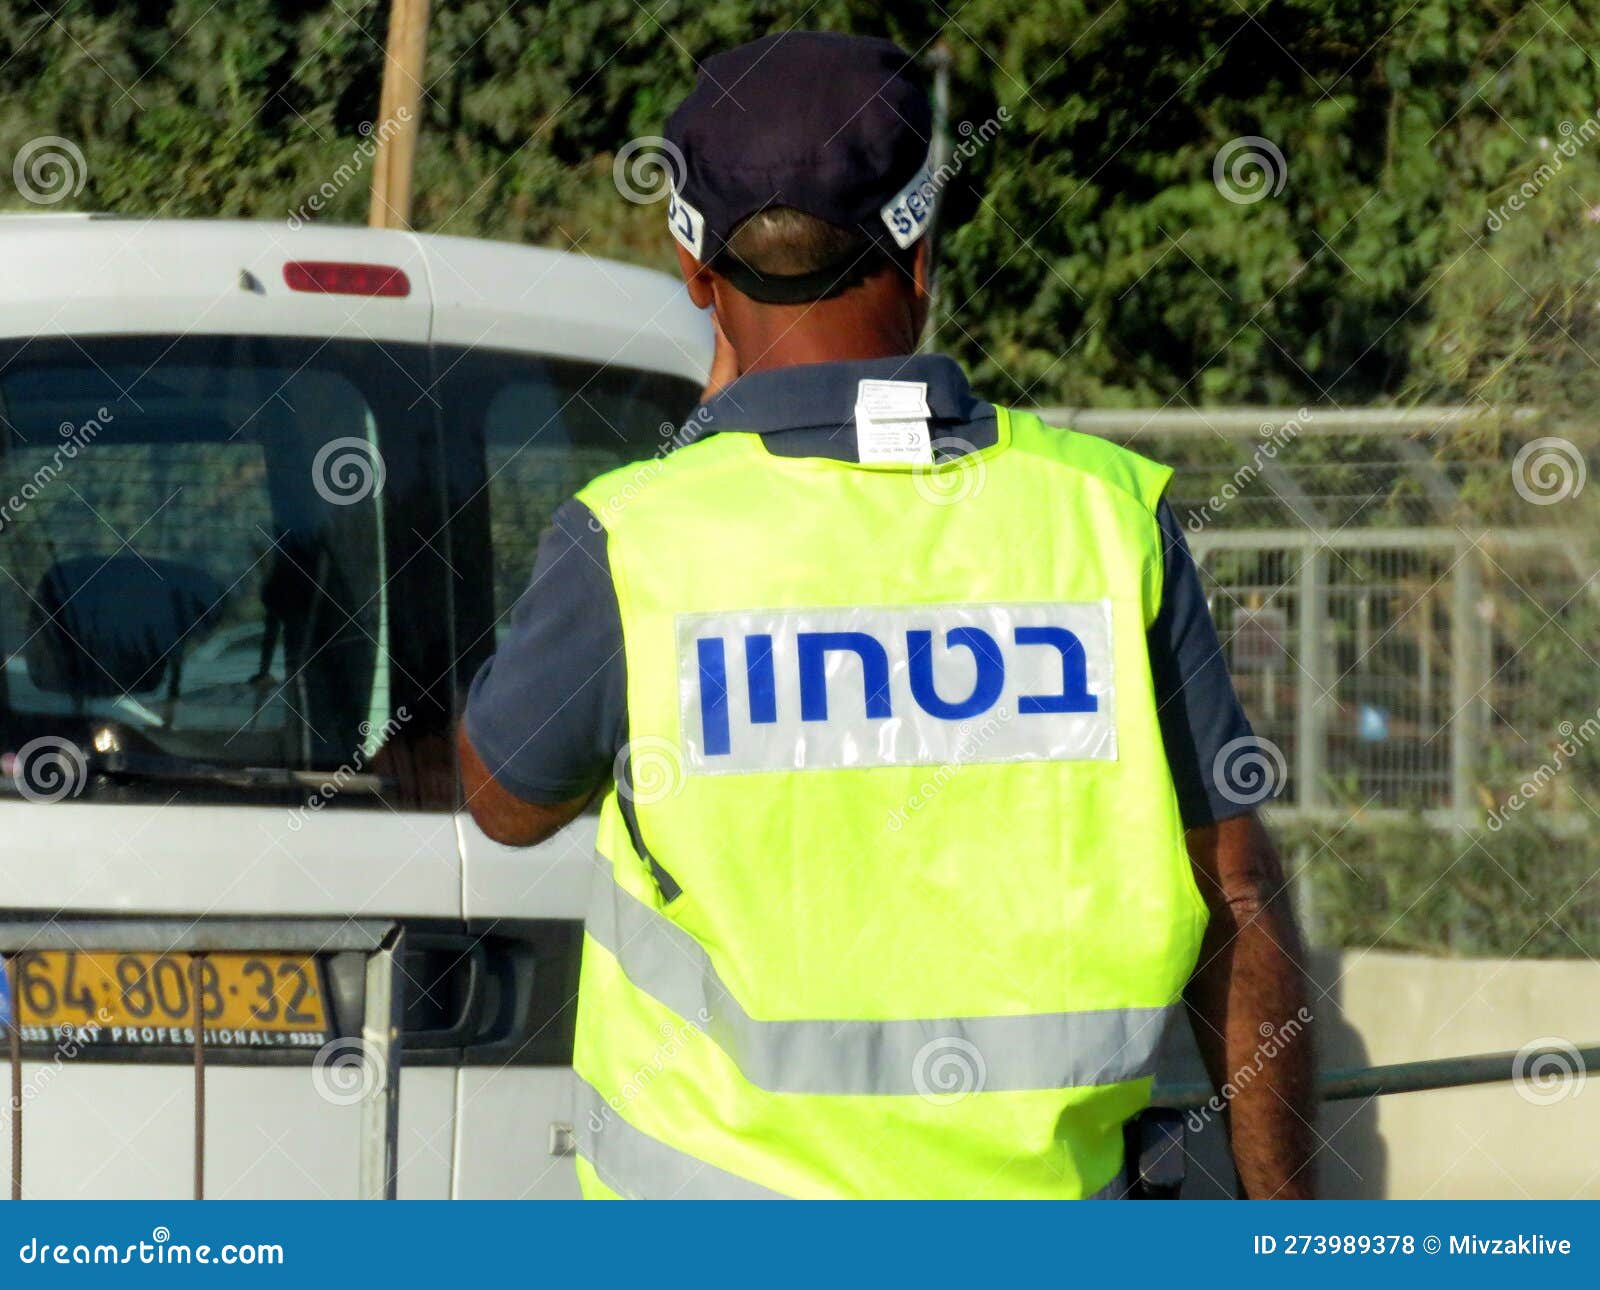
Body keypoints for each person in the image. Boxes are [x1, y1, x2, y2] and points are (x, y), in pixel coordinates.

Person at [459, 29, 1313, 1200]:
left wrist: (700, 447)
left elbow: (503, 800)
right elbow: (1236, 892)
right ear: (919, 256)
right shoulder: (1102, 518)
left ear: (695, 270)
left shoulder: (636, 541)